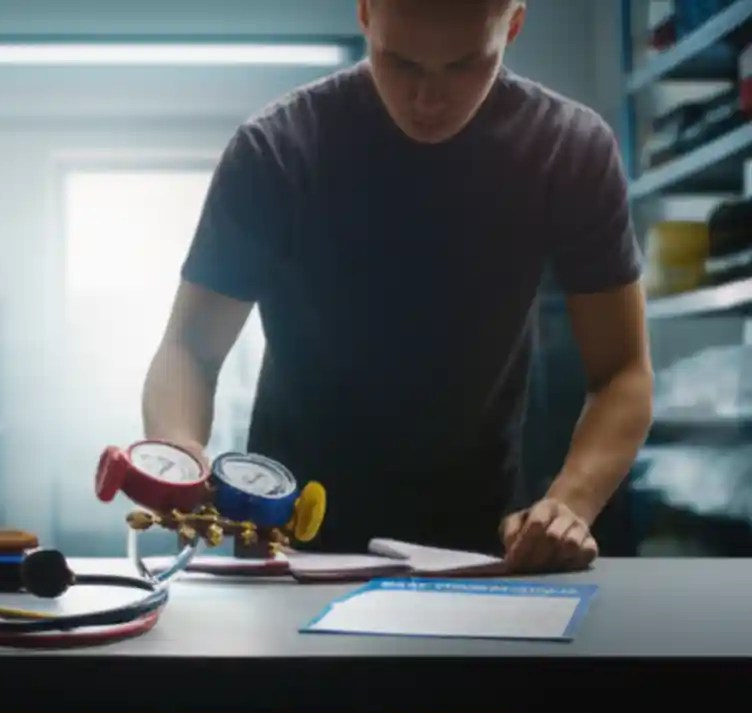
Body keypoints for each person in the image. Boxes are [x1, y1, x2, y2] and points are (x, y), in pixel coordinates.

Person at [140, 0, 654, 573]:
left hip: (479, 541)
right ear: (365, 14)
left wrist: (568, 506)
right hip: (289, 540)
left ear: (512, 25)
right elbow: (190, 347)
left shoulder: (569, 150)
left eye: (463, 66)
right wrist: (178, 450)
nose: (427, 100)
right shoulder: (276, 149)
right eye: (401, 62)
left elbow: (622, 374)